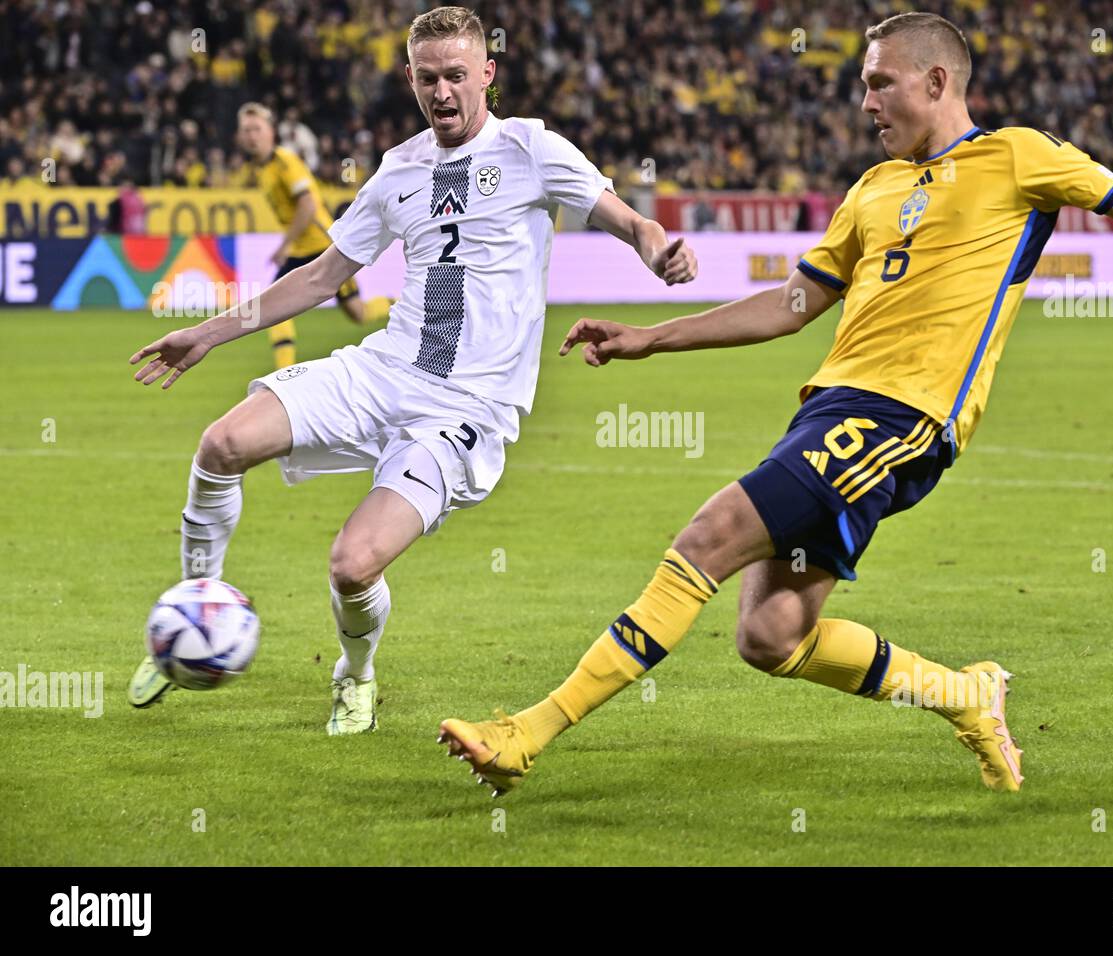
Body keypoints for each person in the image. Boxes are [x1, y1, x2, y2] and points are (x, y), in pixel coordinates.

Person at [438, 11, 1113, 795]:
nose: (865, 103)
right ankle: (965, 696)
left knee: (709, 535)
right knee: (770, 636)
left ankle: (528, 735)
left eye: (880, 84)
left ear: (937, 81)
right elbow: (790, 305)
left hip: (903, 416)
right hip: (831, 412)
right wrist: (655, 337)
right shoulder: (871, 190)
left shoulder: (1018, 157)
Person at [125, 6, 698, 735]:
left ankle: (355, 676)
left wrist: (656, 249)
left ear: (487, 73)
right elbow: (320, 275)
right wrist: (207, 334)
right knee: (220, 446)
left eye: (457, 75)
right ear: (410, 79)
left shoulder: (530, 149)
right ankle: (193, 609)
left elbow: (625, 218)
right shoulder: (399, 170)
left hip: (465, 410)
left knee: (352, 566)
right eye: (428, 78)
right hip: (386, 370)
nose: (443, 92)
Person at [232, 101, 390, 369]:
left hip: (324, 247)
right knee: (274, 307)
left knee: (358, 313)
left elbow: (307, 205)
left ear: (271, 131)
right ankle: (282, 373)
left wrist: (285, 244)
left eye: (256, 129)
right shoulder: (260, 169)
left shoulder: (285, 162)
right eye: (246, 130)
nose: (251, 135)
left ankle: (397, 305)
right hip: (301, 250)